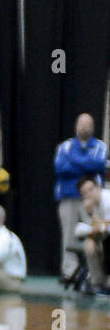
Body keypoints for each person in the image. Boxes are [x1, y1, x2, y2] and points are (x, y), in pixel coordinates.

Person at [53, 114, 106, 279]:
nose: (84, 128)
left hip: (91, 201)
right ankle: (70, 272)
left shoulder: (100, 146)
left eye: (87, 124)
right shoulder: (65, 146)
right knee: (68, 236)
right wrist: (85, 165)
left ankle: (94, 273)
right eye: (81, 124)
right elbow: (60, 168)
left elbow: (98, 164)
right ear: (76, 126)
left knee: (94, 233)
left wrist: (74, 160)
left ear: (93, 127)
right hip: (68, 198)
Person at [74, 176, 110, 294]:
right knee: (89, 246)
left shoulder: (107, 199)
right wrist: (90, 214)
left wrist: (91, 215)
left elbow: (104, 226)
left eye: (91, 189)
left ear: (98, 187)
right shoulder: (90, 205)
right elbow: (93, 229)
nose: (89, 194)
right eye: (85, 193)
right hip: (105, 237)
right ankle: (98, 283)